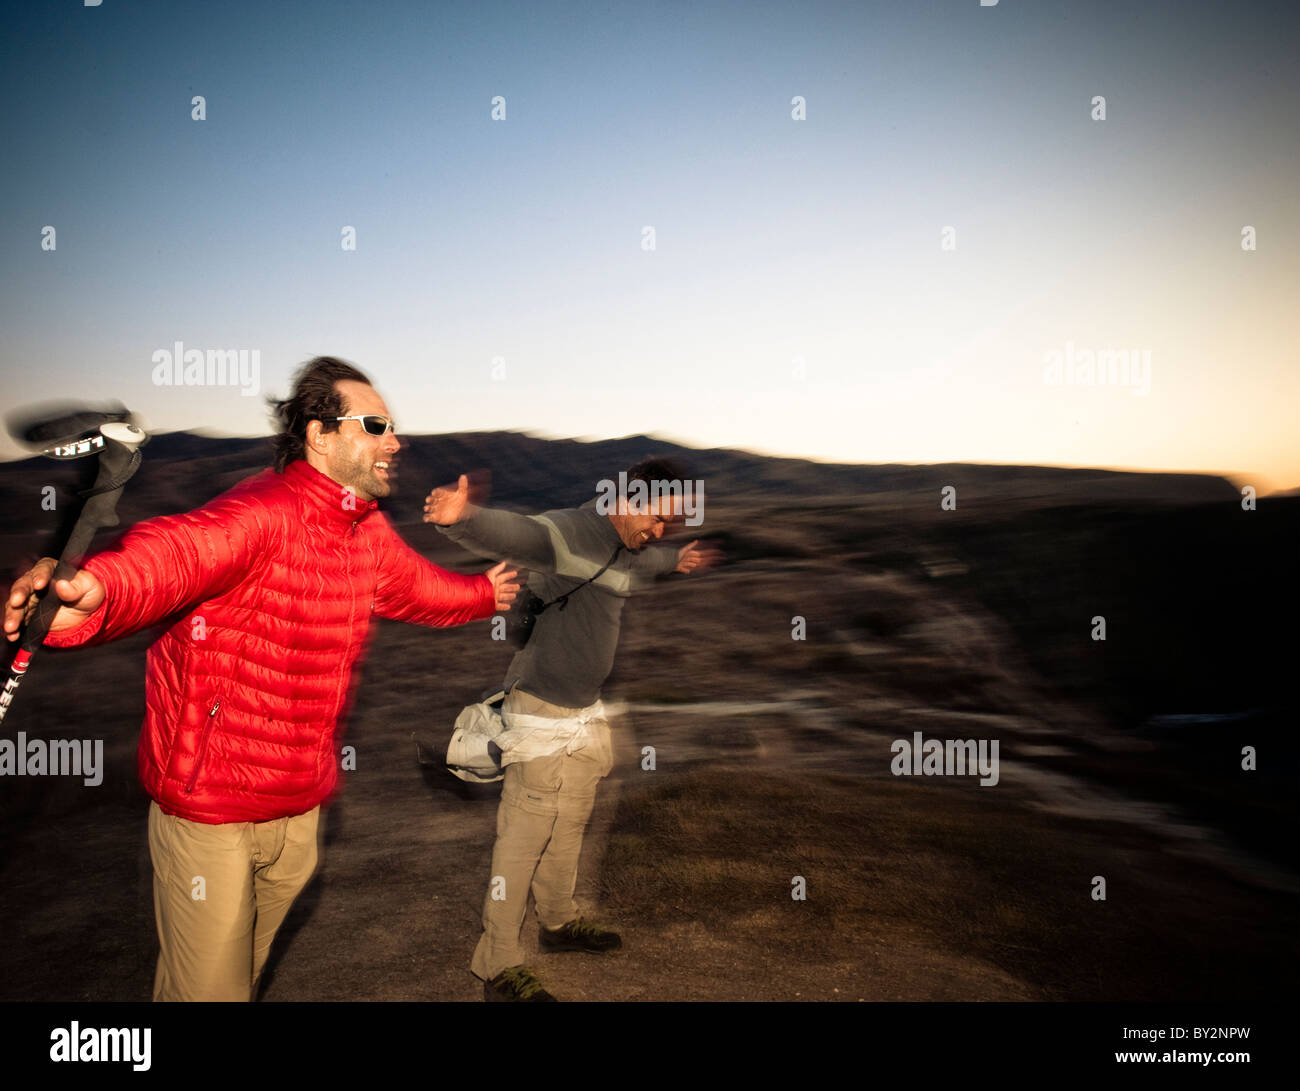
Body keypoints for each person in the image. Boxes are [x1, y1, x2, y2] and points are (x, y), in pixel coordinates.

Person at [3, 356, 519, 1001]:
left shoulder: (362, 526)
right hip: (212, 815)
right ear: (320, 433)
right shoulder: (261, 511)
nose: (396, 441)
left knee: (234, 984)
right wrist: (95, 593)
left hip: (298, 808)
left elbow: (415, 587)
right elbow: (174, 553)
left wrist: (479, 594)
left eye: (393, 427)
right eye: (376, 424)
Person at [423, 457, 716, 1001]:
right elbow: (522, 532)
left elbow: (646, 563)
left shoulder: (629, 547)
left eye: (672, 525)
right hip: (540, 712)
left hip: (588, 714)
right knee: (523, 838)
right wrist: (462, 517)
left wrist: (678, 559)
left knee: (571, 823)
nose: (660, 532)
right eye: (659, 519)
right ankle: (497, 962)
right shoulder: (568, 532)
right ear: (628, 501)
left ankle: (558, 921)